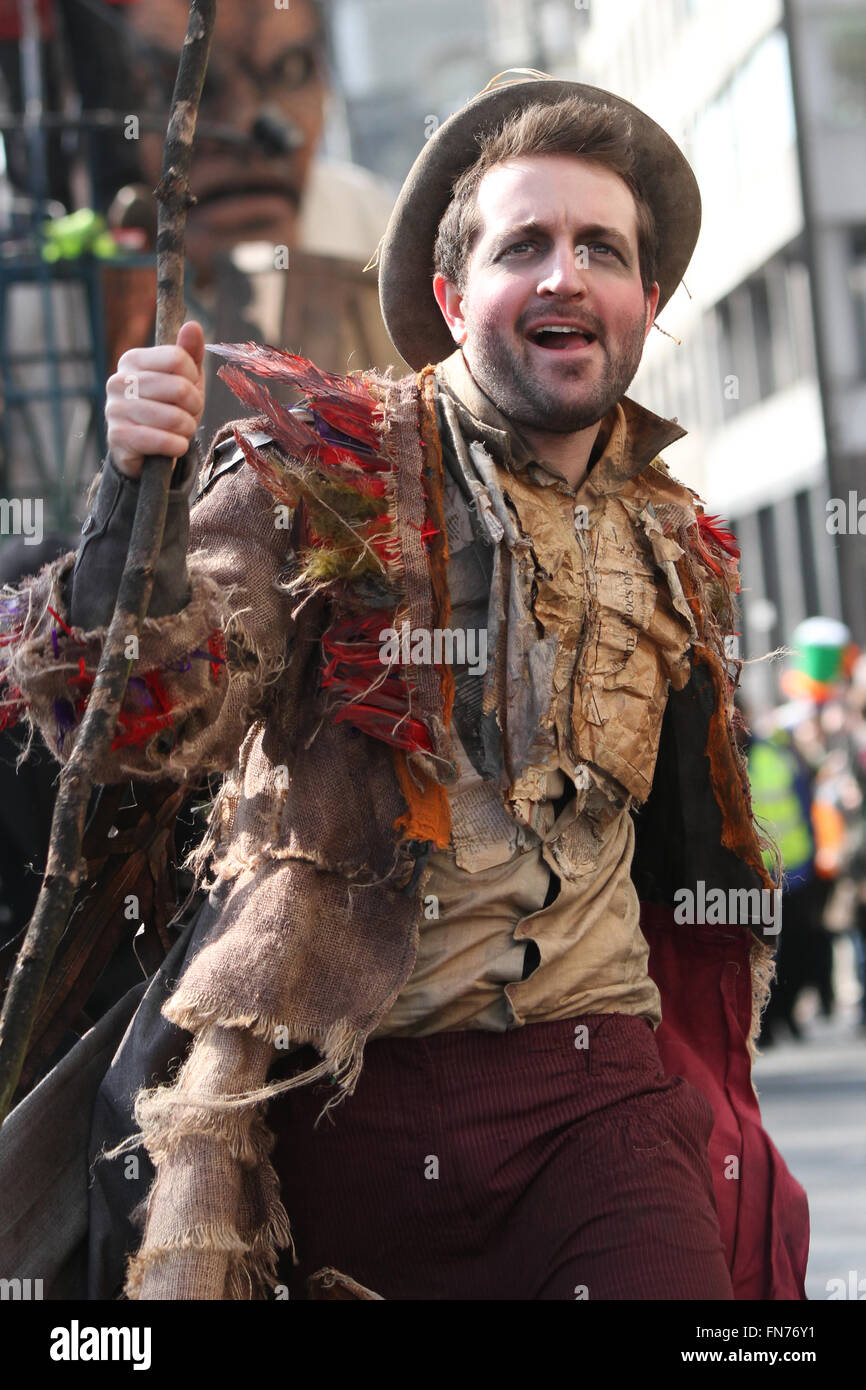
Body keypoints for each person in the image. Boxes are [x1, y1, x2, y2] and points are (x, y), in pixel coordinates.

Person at [0, 73, 809, 1301]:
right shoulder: (318, 470)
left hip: (600, 1097)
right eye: (521, 245)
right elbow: (145, 716)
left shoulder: (674, 539)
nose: (562, 275)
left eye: (600, 248)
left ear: (645, 300)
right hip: (342, 1105)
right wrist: (135, 503)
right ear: (448, 295)